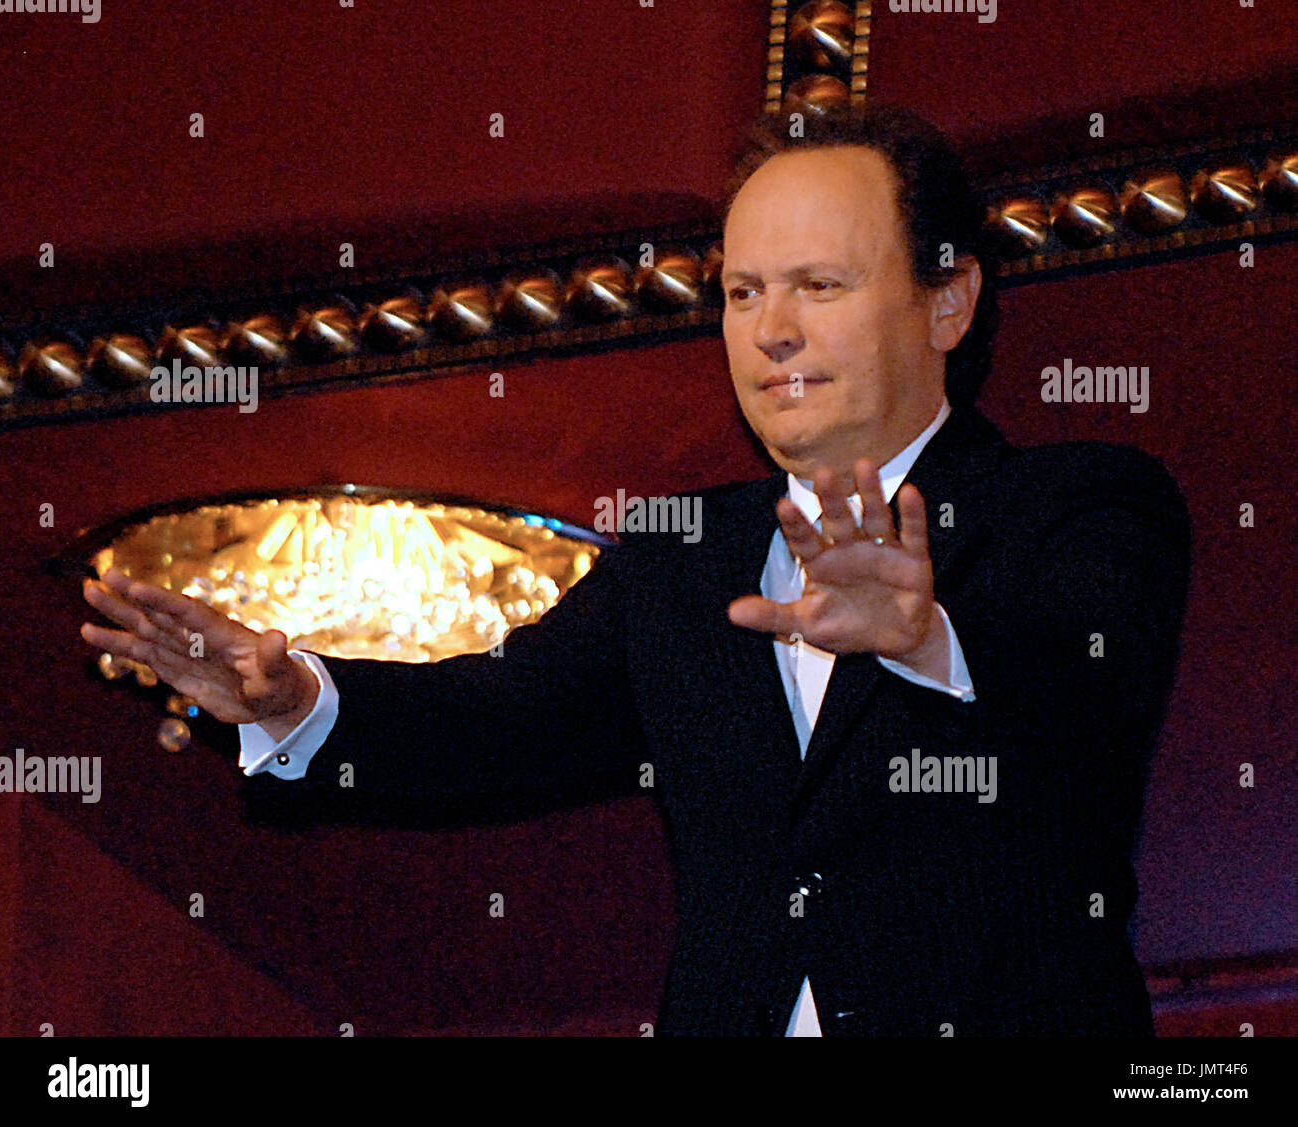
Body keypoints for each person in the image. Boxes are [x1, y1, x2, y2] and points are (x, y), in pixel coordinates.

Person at [81, 103, 1191, 1037]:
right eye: (744, 292)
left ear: (946, 301)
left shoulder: (1082, 500)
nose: (773, 333)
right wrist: (293, 697)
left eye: (819, 284)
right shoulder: (681, 554)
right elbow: (496, 713)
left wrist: (924, 636)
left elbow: (1078, 691)